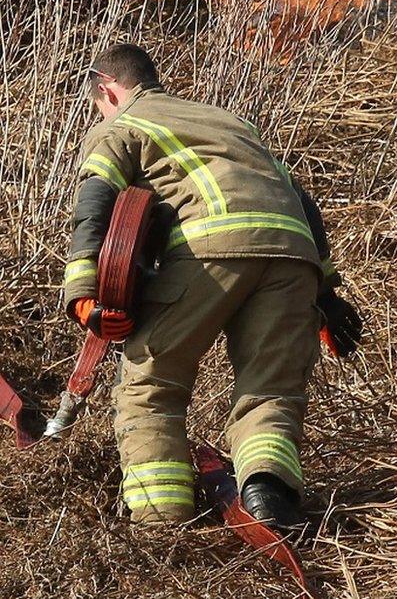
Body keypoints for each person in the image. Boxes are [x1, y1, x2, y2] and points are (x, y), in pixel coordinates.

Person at [62, 42, 362, 530]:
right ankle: (268, 495)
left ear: (108, 89)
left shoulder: (121, 126)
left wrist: (83, 292)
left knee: (151, 382)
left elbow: (94, 205)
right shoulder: (227, 121)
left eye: (97, 103)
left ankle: (162, 520)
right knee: (272, 388)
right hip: (292, 256)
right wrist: (325, 294)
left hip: (212, 248)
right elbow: (301, 200)